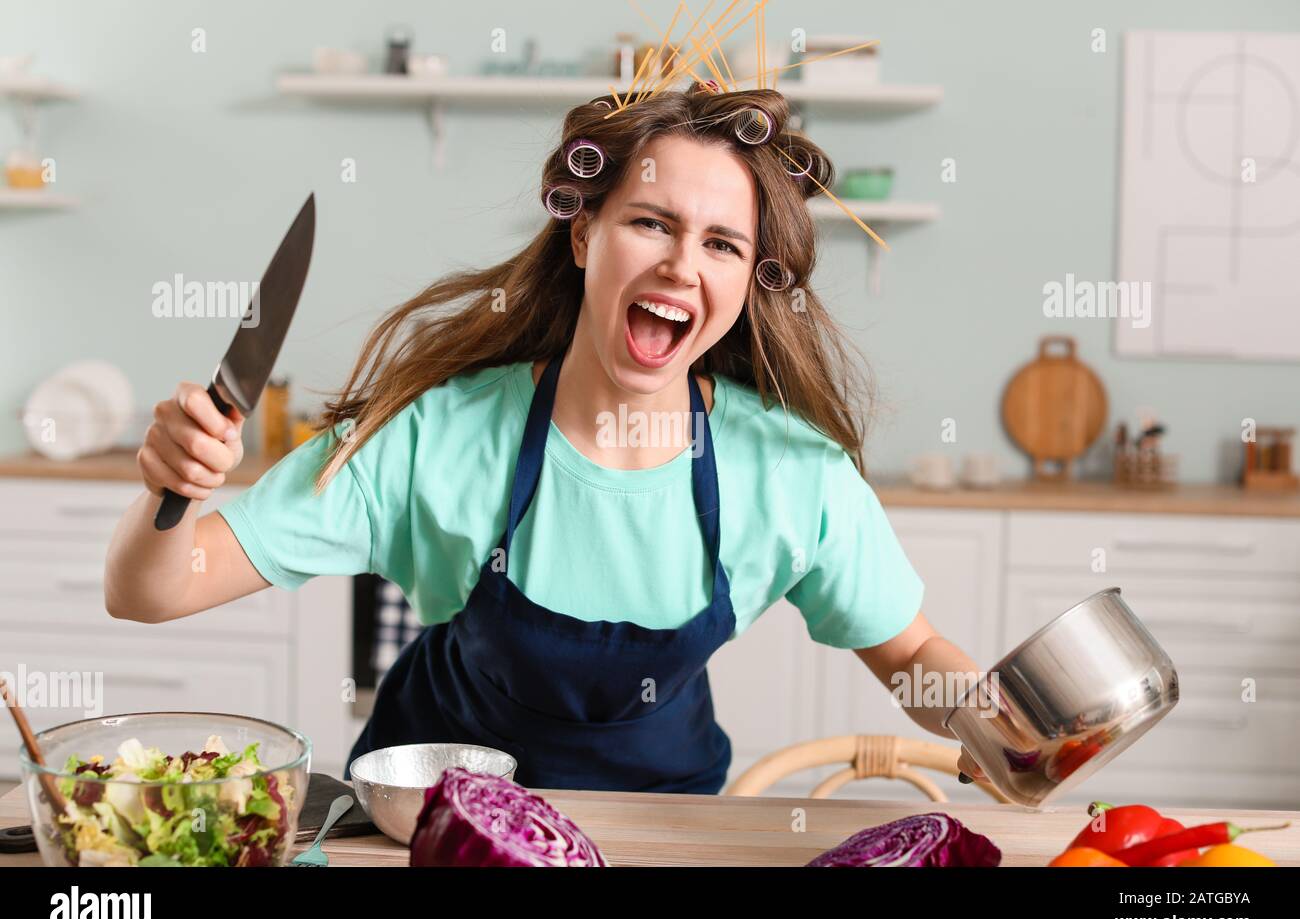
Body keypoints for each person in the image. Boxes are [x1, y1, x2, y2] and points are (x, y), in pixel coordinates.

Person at [105, 86, 989, 794]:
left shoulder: (793, 472)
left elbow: (910, 652)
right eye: (651, 222)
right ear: (583, 233)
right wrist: (167, 489)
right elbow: (150, 592)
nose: (682, 264)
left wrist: (996, 726)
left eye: (722, 243)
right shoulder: (434, 436)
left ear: (744, 284)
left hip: (661, 834)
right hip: (429, 828)